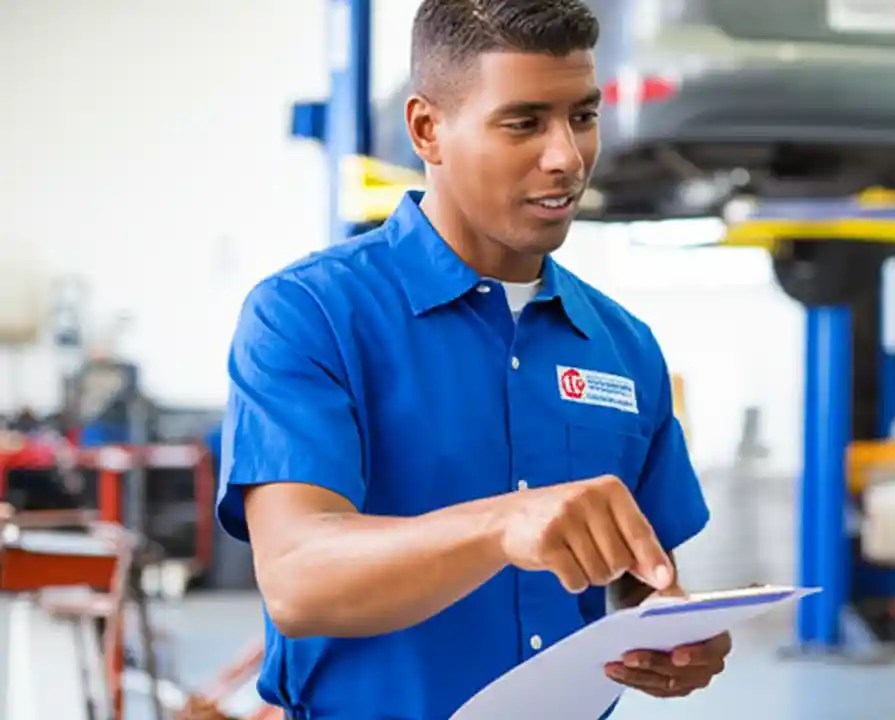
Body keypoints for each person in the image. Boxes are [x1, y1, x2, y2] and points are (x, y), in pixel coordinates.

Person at [215, 1, 729, 718]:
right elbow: (299, 580)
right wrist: (503, 527)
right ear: (428, 129)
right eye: (523, 123)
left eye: (583, 116)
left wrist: (667, 624)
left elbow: (638, 574)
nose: (567, 156)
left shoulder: (623, 346)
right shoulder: (309, 317)